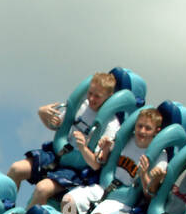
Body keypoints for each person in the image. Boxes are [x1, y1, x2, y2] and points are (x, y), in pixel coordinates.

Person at [60, 107, 168, 214]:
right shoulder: (125, 140)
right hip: (103, 187)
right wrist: (105, 148)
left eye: (148, 128)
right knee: (68, 201)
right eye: (139, 126)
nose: (142, 131)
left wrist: (144, 175)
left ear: (157, 131)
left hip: (124, 201)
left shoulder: (160, 155)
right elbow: (100, 162)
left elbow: (150, 194)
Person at [7, 72, 121, 206]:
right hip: (56, 155)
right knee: (16, 169)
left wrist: (83, 148)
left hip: (77, 171)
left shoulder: (112, 125)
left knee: (42, 189)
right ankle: (4, 212)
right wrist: (42, 113)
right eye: (90, 93)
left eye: (97, 96)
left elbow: (96, 165)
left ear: (109, 97)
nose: (91, 98)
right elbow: (55, 125)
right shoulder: (80, 106)